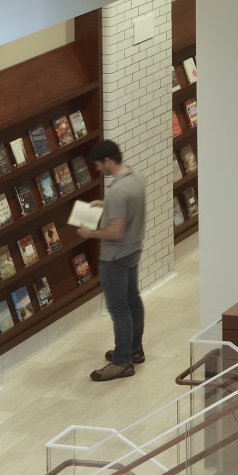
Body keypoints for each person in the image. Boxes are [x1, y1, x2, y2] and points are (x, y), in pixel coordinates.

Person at [89, 139, 147, 381]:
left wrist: (89, 233)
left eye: (99, 165)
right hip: (133, 250)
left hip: (115, 257)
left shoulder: (117, 190)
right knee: (132, 300)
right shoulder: (135, 178)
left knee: (118, 308)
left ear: (108, 161)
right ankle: (134, 349)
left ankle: (121, 361)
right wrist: (106, 205)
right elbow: (127, 208)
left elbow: (115, 232)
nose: (97, 169)